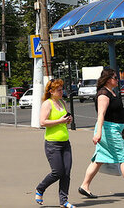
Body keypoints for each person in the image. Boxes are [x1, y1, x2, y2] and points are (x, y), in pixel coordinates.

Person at [78, 69, 124, 200]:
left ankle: (84, 186)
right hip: (108, 130)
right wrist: (98, 133)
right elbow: (101, 114)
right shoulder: (103, 94)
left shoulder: (110, 92)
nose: (118, 79)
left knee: (99, 159)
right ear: (108, 79)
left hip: (111, 129)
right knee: (123, 158)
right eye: (115, 77)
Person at [34, 78, 76, 208]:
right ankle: (40, 189)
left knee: (67, 172)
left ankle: (63, 201)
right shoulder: (47, 104)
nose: (61, 91)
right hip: (52, 144)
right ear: (51, 91)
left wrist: (69, 120)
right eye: (58, 90)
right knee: (57, 172)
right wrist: (60, 121)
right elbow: (42, 122)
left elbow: (64, 119)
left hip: (65, 143)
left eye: (61, 89)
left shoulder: (62, 102)